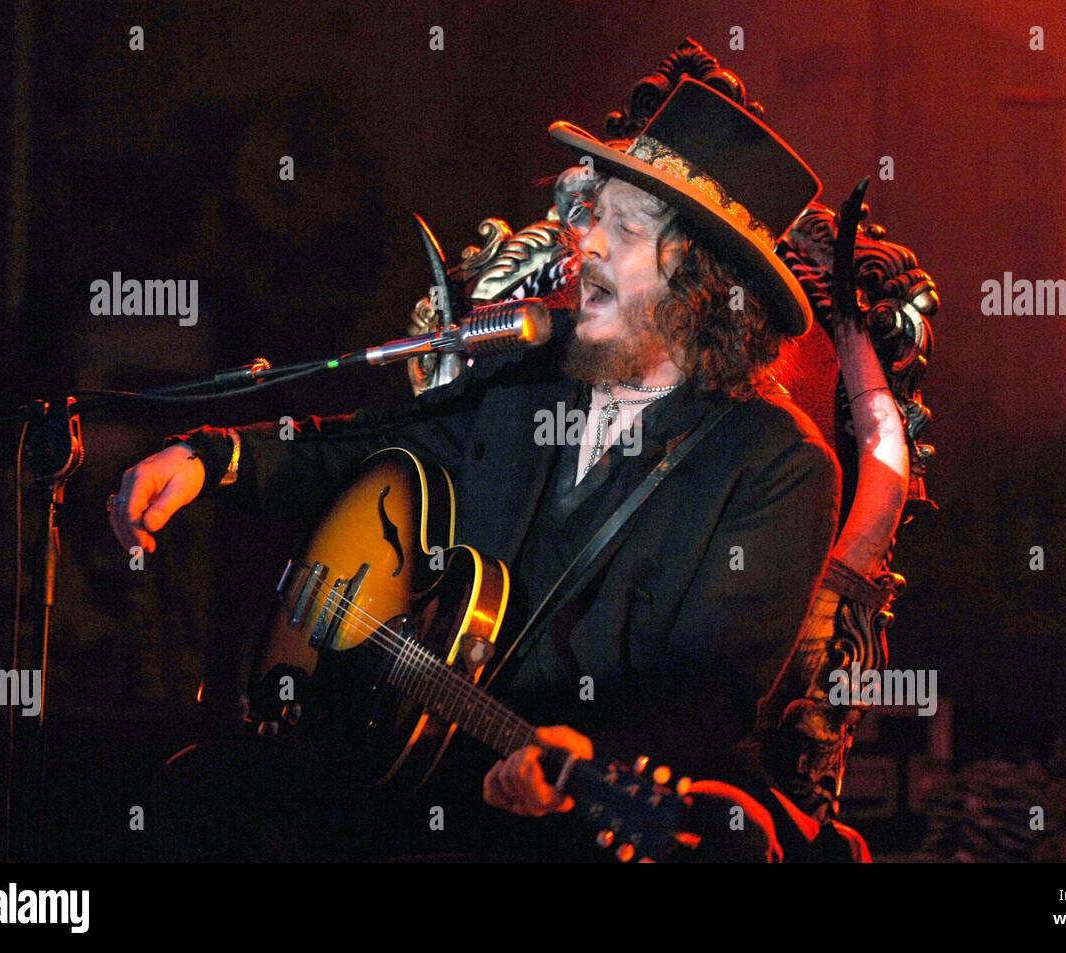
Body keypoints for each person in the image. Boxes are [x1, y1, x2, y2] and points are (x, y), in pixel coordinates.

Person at [110, 78, 851, 861]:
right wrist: (212, 458)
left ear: (703, 284)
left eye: (625, 230)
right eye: (594, 216)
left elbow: (713, 686)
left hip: (592, 798)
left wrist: (589, 751)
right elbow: (372, 443)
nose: (586, 244)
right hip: (420, 752)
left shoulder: (778, 463)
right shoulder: (530, 373)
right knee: (189, 796)